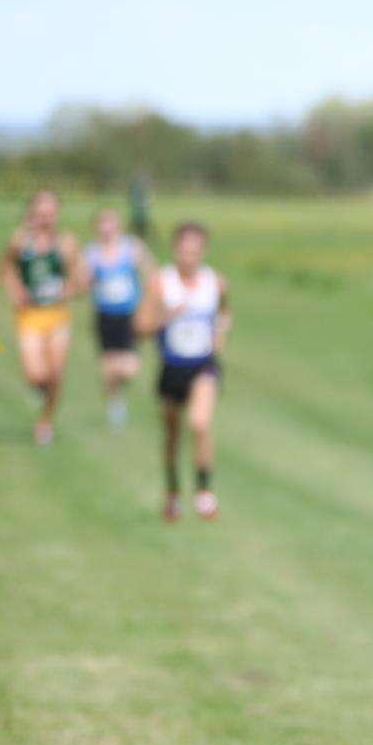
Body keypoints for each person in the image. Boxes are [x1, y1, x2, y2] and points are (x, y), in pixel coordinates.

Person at [137, 221, 230, 521]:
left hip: (203, 364)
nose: (188, 257)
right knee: (173, 435)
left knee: (200, 423)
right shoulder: (160, 282)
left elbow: (224, 312)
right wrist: (165, 315)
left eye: (195, 252)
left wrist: (220, 332)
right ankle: (173, 491)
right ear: (174, 250)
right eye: (183, 251)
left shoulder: (214, 282)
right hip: (171, 368)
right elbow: (140, 326)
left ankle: (203, 491)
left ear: (203, 252)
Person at [0, 188, 84, 445]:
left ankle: (45, 421)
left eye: (51, 212)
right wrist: (16, 290)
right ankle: (42, 393)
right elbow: (4, 269)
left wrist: (68, 288)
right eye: (41, 212)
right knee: (35, 374)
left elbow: (78, 277)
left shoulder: (66, 243)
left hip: (56, 314)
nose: (46, 218)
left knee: (55, 373)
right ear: (32, 213)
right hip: (29, 314)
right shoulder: (20, 241)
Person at [85, 207, 150, 427]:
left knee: (129, 367)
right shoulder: (91, 253)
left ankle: (117, 388)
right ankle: (114, 401)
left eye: (109, 223)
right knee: (108, 363)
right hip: (104, 314)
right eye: (101, 224)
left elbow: (151, 274)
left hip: (129, 313)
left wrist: (149, 304)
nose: (106, 229)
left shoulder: (132, 248)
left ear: (117, 225)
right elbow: (83, 281)